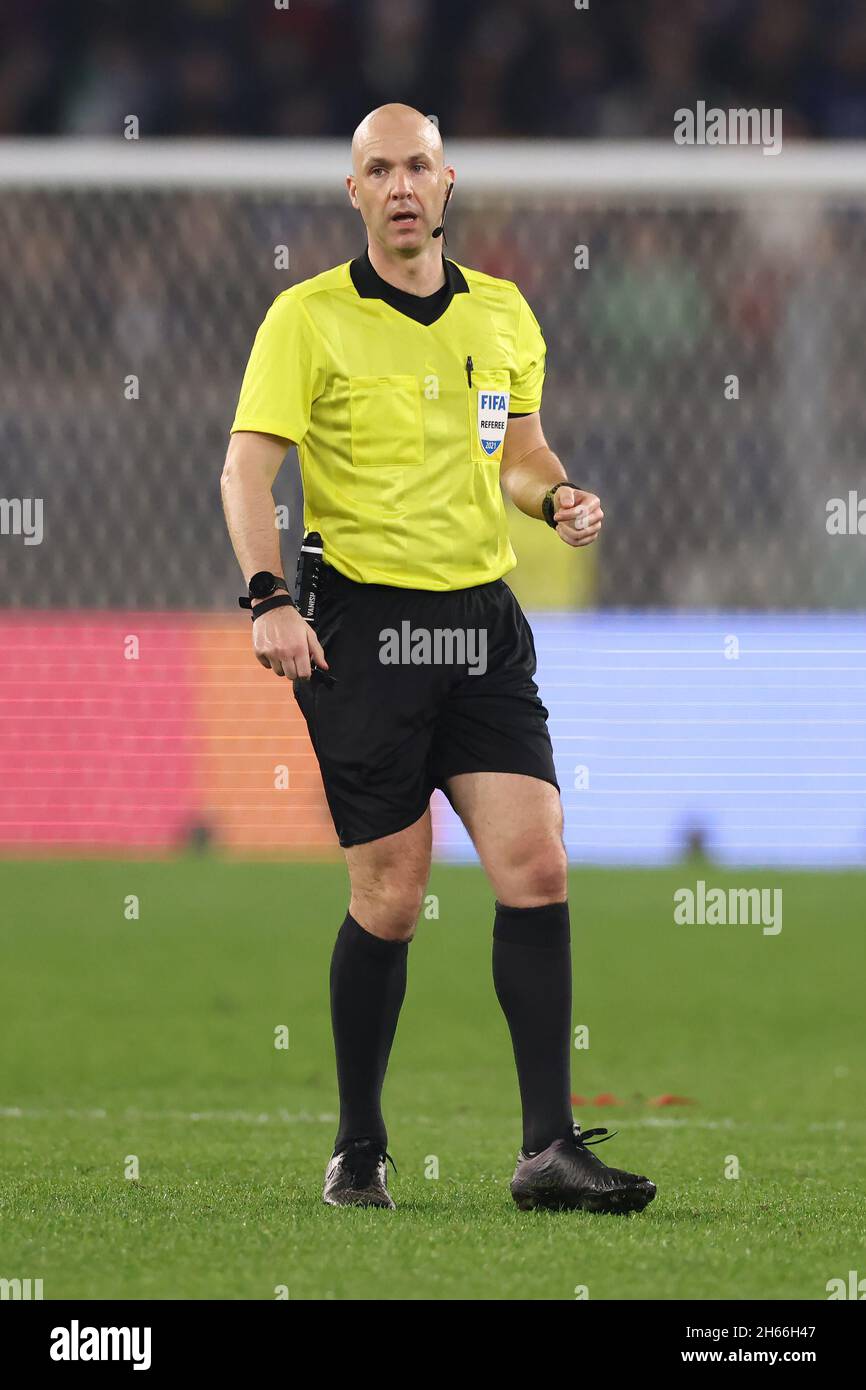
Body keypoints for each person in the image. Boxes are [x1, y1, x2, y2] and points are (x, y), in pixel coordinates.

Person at [221, 103, 656, 1215]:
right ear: (354, 193)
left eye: (418, 165)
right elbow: (246, 470)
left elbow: (516, 450)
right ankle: (357, 1144)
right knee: (392, 895)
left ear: (447, 182)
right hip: (359, 629)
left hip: (478, 622)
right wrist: (267, 597)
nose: (402, 185)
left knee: (537, 866)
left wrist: (551, 492)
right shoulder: (304, 318)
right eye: (380, 170)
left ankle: (546, 1148)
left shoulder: (503, 314)